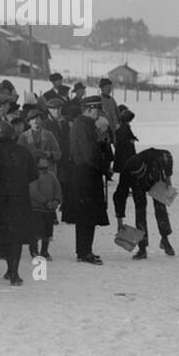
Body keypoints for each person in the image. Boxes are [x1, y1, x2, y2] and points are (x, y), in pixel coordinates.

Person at [0, 121, 38, 285]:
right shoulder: (24, 151)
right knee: (17, 236)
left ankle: (9, 269)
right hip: (20, 197)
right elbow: (33, 175)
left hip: (0, 198)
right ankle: (14, 272)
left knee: (6, 235)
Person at [64, 95, 112, 264]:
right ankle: (85, 252)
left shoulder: (83, 124)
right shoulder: (83, 125)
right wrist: (105, 168)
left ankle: (83, 251)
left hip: (85, 174)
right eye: (96, 110)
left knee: (85, 216)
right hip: (86, 175)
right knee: (87, 216)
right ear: (89, 109)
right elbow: (89, 154)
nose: (98, 114)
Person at [116, 147, 175, 259]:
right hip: (137, 186)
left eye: (142, 172)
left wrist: (168, 178)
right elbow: (120, 196)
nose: (141, 175)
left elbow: (168, 156)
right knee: (140, 210)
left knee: (160, 207)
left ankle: (165, 239)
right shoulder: (127, 171)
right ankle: (142, 248)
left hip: (154, 175)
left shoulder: (153, 156)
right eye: (139, 174)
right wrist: (119, 221)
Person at [29, 154, 63, 261]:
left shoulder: (51, 176)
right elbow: (33, 191)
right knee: (37, 230)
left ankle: (45, 250)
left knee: (48, 231)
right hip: (37, 208)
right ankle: (34, 249)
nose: (45, 162)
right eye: (42, 160)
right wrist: (45, 201)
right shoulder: (33, 176)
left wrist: (56, 201)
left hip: (49, 210)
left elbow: (58, 189)